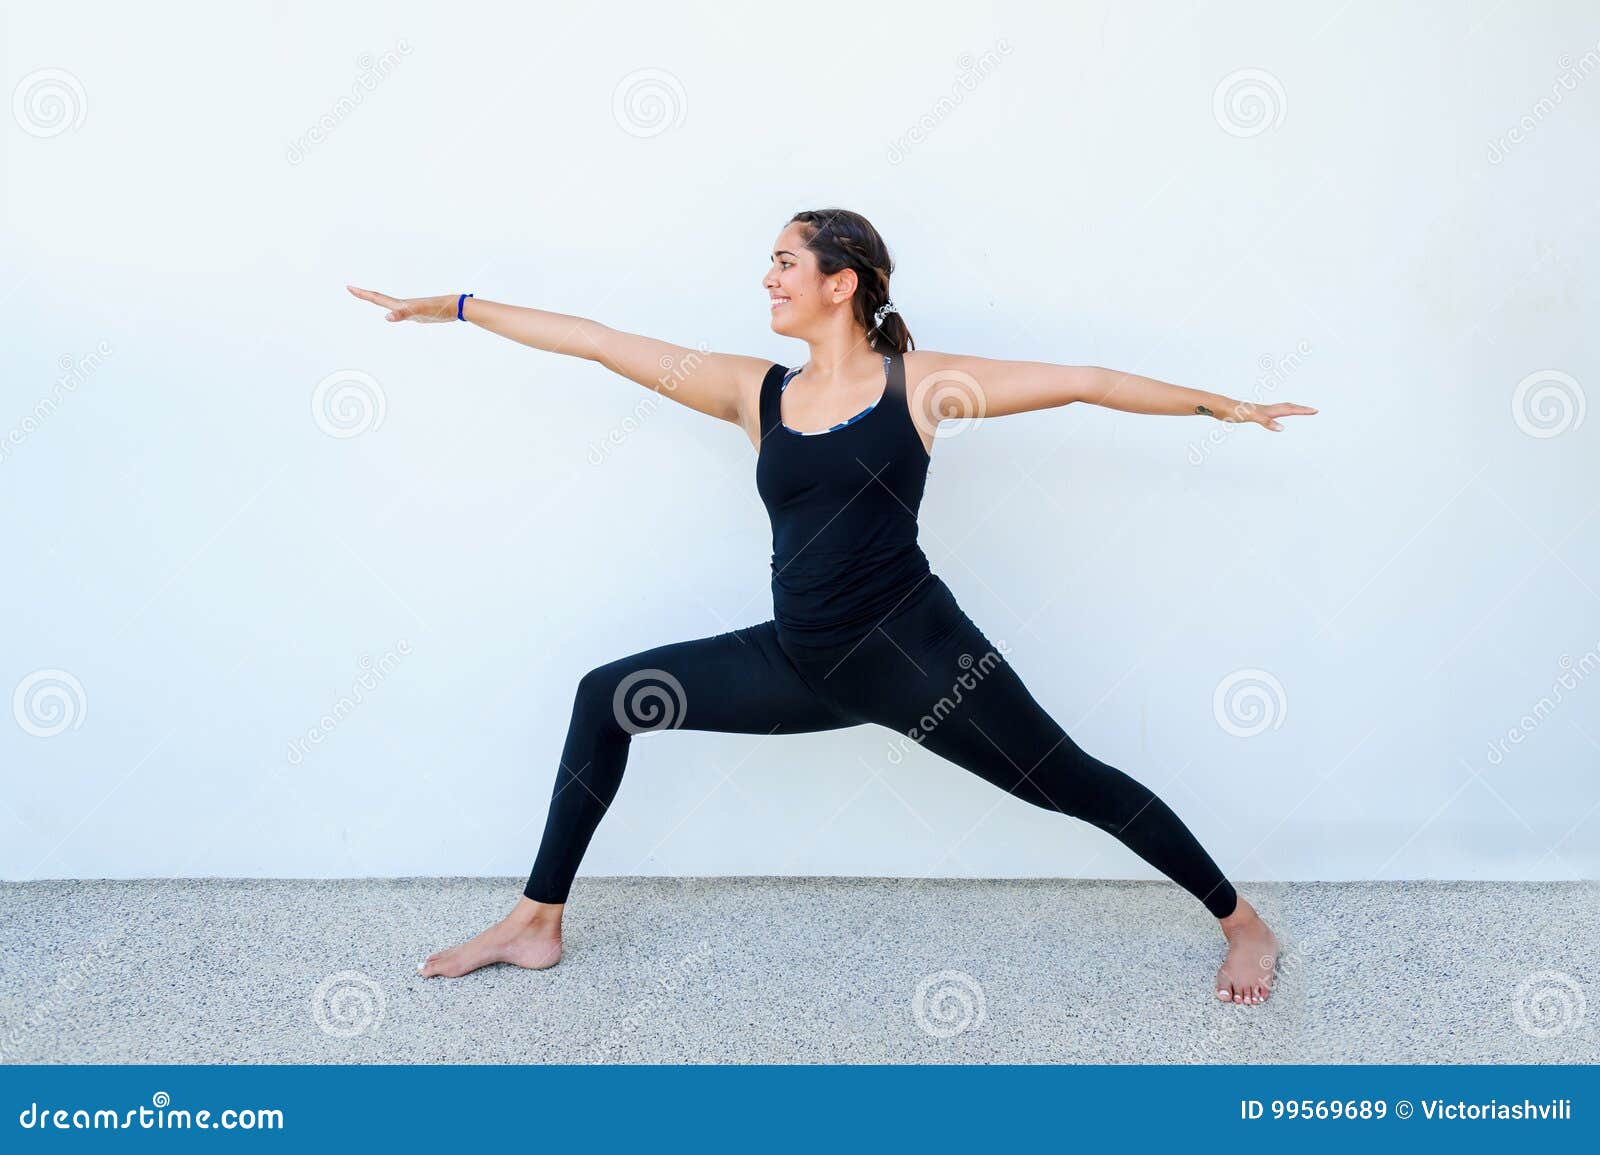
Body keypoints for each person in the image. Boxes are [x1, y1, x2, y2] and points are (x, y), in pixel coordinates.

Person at [347, 208, 1317, 1005]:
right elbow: (600, 344)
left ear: (839, 282)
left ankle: (1242, 923)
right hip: (800, 663)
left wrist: (1224, 407)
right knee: (608, 694)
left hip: (924, 662)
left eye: (783, 263)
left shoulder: (923, 385)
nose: (767, 280)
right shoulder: (751, 392)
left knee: (1075, 785)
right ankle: (536, 921)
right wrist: (465, 307)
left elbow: (1088, 383)